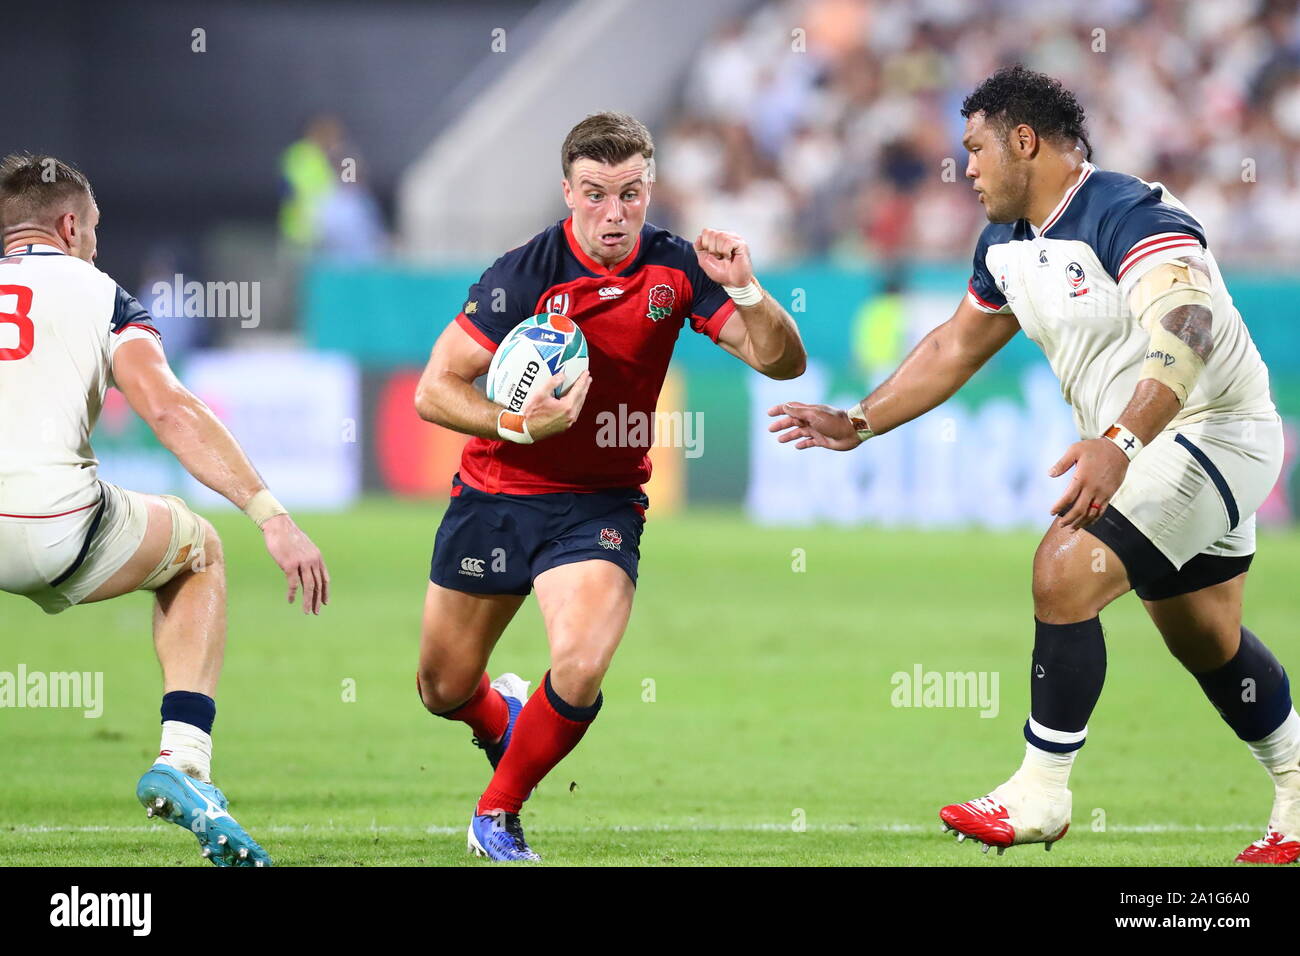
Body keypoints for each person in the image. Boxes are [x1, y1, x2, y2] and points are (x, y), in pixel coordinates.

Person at [769, 66, 1297, 864]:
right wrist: (859, 420)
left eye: (976, 149)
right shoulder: (1007, 246)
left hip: (1214, 428)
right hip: (1152, 445)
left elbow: (1188, 324)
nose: (966, 168)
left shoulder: (1125, 211)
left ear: (1026, 141)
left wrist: (1116, 444)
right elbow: (954, 346)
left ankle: (1041, 792)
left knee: (1063, 570)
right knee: (1207, 640)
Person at [414, 111, 806, 861]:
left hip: (600, 505)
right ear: (568, 192)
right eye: (595, 194)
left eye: (630, 193)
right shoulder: (524, 273)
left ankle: (496, 813)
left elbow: (782, 363)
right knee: (442, 687)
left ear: (650, 189)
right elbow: (435, 391)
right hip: (496, 494)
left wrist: (750, 292)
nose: (614, 214)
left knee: (584, 663)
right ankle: (506, 725)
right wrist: (520, 423)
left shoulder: (678, 266)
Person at [0, 154, 330, 867]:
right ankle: (184, 762)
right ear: (67, 226)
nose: (94, 243)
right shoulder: (100, 293)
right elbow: (169, 410)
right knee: (199, 550)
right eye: (91, 229)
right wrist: (271, 515)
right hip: (56, 527)